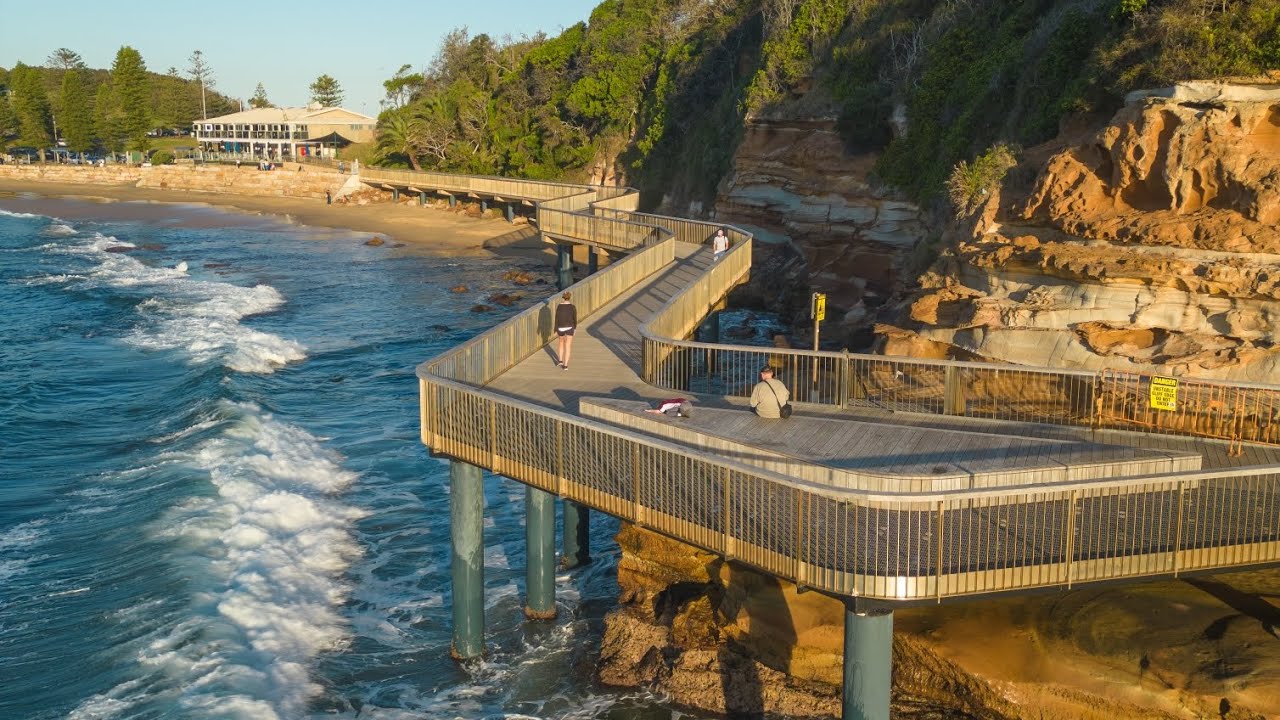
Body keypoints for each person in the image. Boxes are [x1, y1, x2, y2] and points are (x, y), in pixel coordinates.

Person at [554, 291, 577, 370]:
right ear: (570, 297)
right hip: (570, 327)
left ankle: (560, 360)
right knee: (568, 345)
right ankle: (565, 365)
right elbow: (575, 318)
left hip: (560, 327)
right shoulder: (572, 307)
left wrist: (555, 329)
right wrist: (575, 328)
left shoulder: (559, 306)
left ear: (563, 297)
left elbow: (556, 318)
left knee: (561, 343)